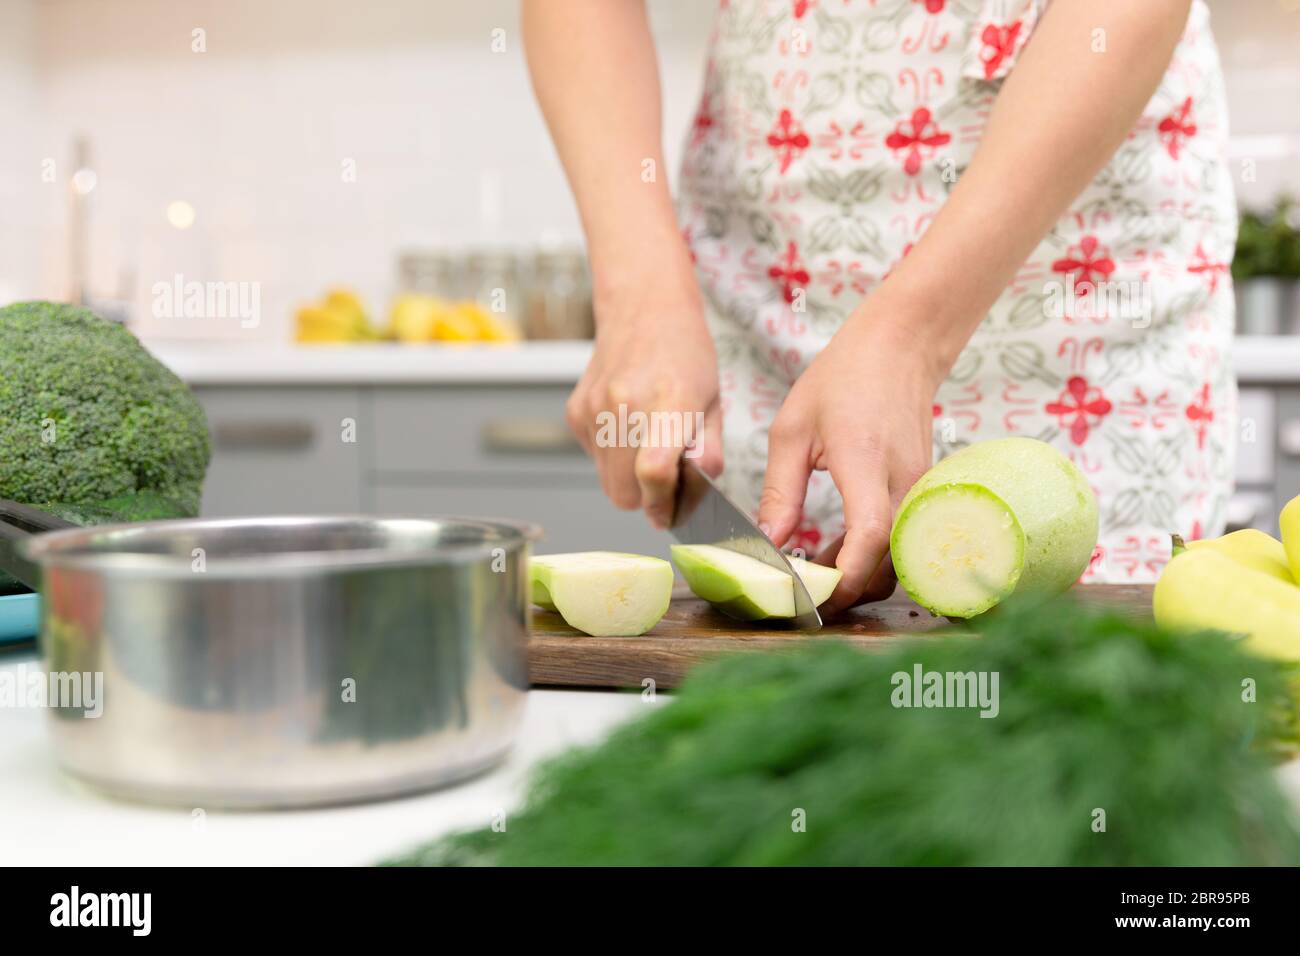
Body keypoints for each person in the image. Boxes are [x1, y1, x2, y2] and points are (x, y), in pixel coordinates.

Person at [523, 0, 1236, 611]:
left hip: (1077, 296)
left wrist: (911, 337)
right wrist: (638, 297)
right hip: (772, 274)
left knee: (1091, 705)